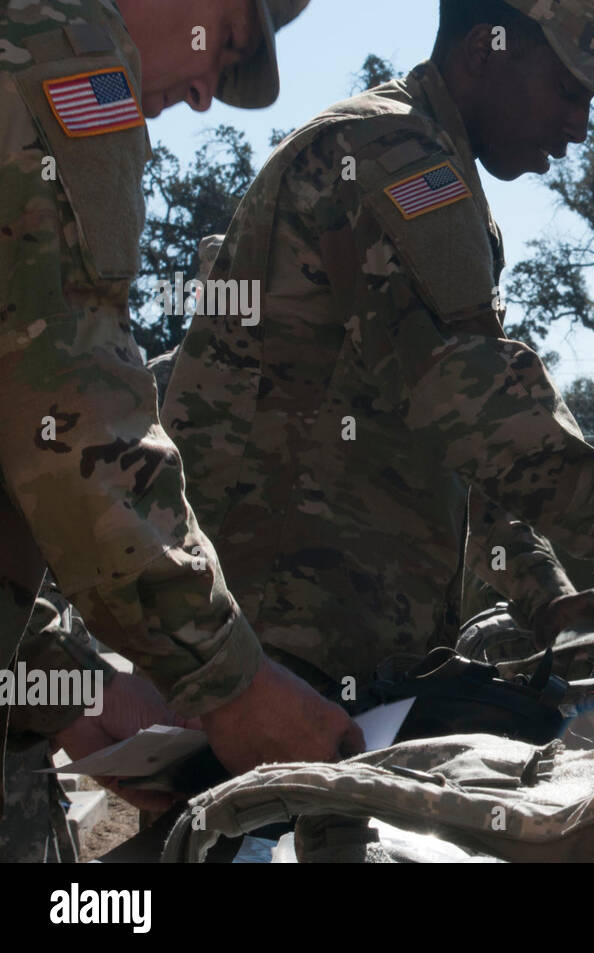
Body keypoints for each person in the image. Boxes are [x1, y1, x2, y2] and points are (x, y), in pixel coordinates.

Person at [160, 0, 594, 697]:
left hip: (316, 643)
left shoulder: (424, 165)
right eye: (569, 90)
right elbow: (475, 407)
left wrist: (546, 594)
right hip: (275, 649)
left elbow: (456, 441)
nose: (579, 126)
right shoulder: (396, 157)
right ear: (485, 49)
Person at [0, 0, 362, 863]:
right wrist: (232, 684)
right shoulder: (70, 56)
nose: (206, 92)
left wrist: (69, 689)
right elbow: (81, 428)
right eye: (225, 44)